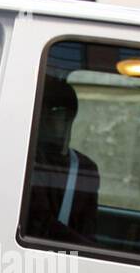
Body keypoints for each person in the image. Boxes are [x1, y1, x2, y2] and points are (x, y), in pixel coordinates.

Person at [24, 74, 100, 244]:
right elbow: (39, 221)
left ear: (70, 117)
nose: (44, 119)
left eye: (53, 112)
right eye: (40, 112)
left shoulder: (86, 169)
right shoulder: (26, 161)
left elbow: (89, 231)